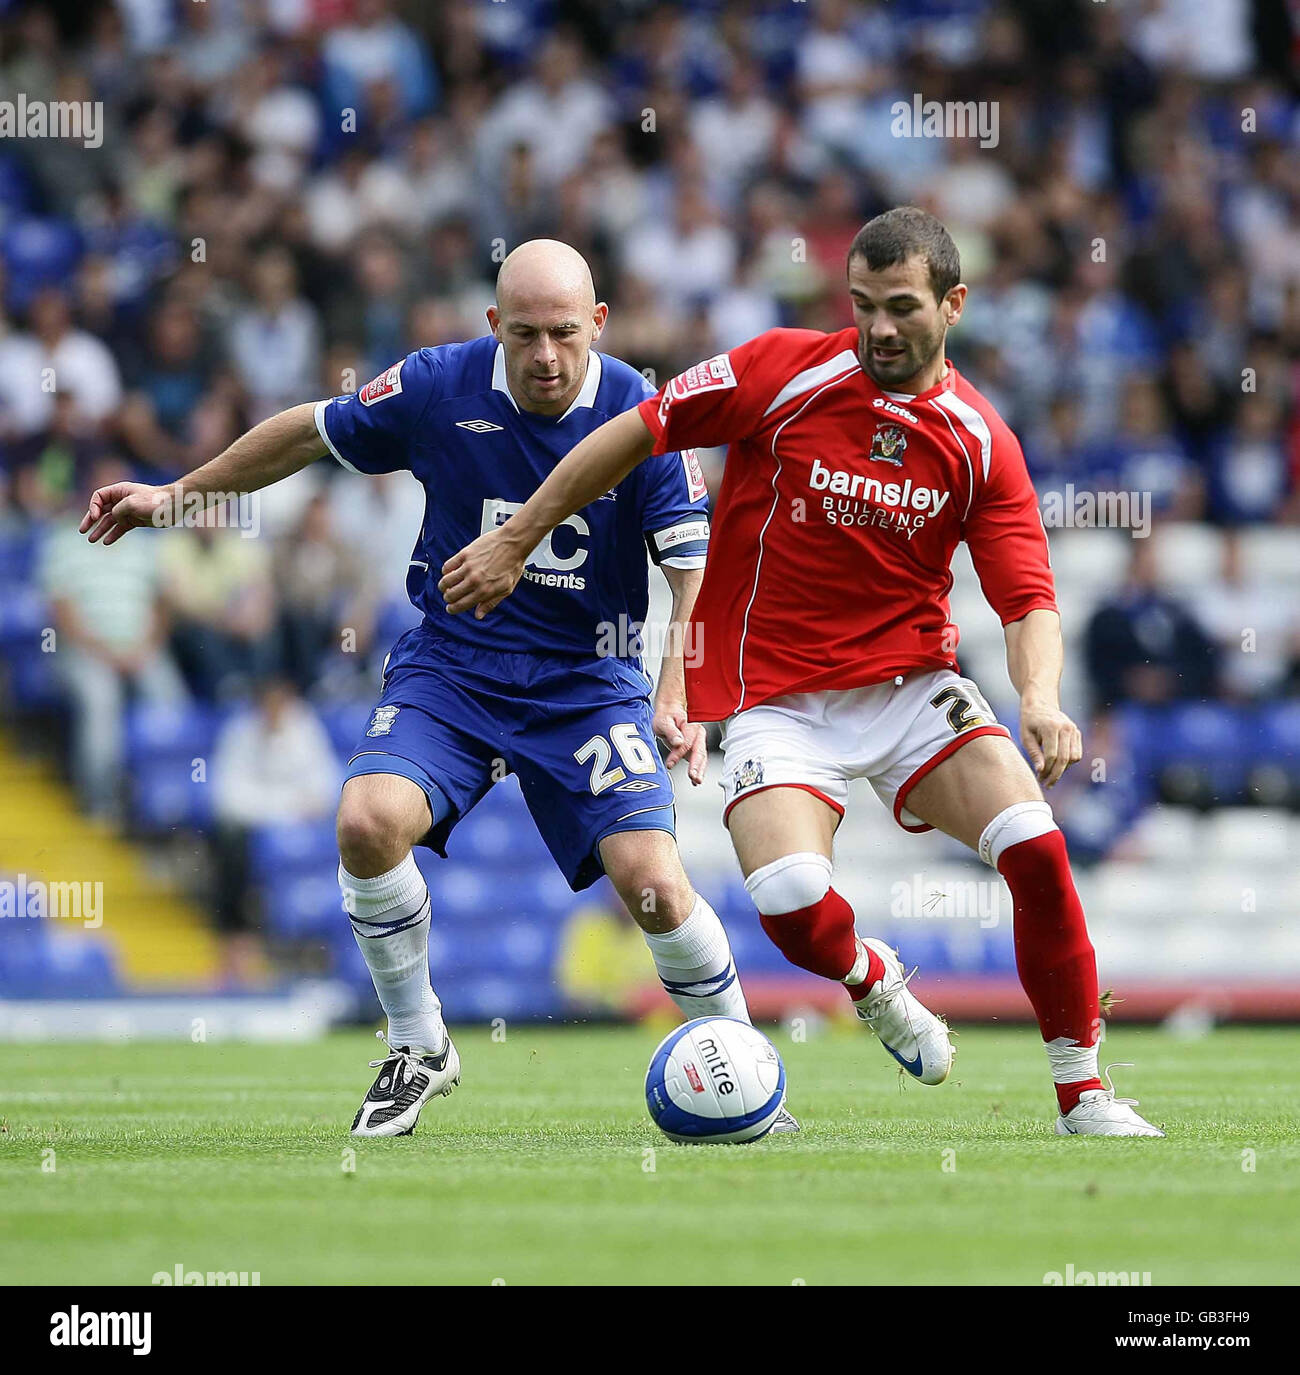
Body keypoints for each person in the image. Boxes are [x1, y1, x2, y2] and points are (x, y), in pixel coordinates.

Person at [441, 207, 1165, 1137]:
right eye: (863, 305)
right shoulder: (782, 369)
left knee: (1036, 842)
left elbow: (1027, 597)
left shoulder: (981, 439)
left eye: (902, 306)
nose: (880, 327)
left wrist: (1039, 699)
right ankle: (872, 978)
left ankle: (1085, 1096)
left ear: (955, 303)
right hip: (774, 697)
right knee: (786, 900)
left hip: (909, 689)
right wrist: (521, 533)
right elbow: (636, 431)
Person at [79, 239, 798, 1138]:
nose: (545, 356)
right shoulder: (437, 386)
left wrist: (674, 690)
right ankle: (419, 1043)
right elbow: (310, 429)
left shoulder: (641, 413)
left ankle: (738, 1064)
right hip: (454, 665)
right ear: (493, 325)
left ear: (599, 325)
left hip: (587, 681)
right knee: (366, 821)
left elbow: (693, 572)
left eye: (565, 335)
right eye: (525, 333)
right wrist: (179, 494)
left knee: (651, 883)